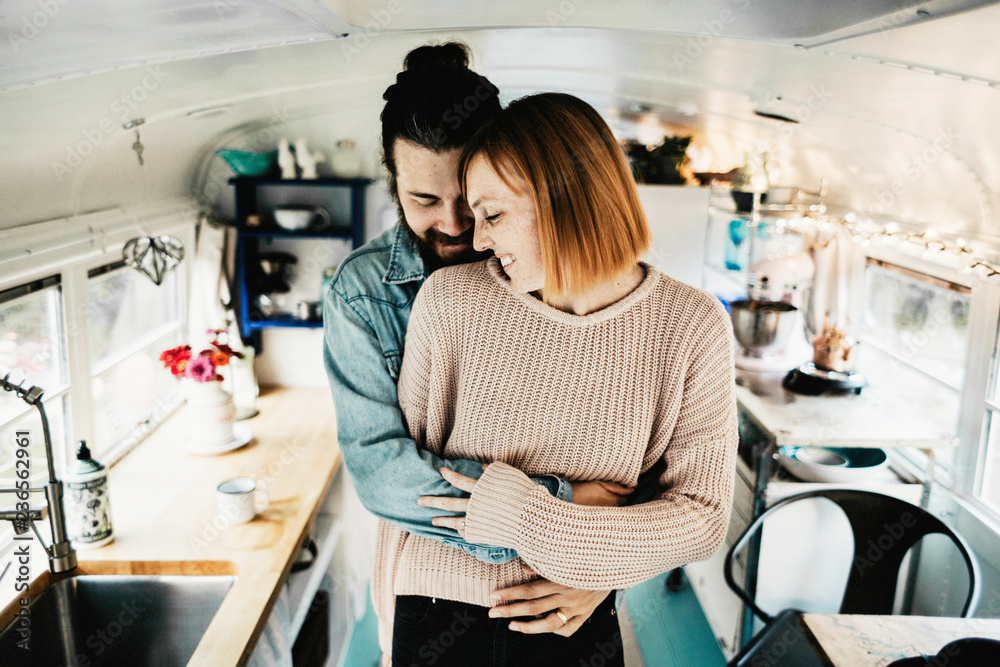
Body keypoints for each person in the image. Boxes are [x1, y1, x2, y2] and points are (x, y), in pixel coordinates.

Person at [387, 92, 739, 666]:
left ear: (568, 200)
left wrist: (537, 521)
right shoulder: (449, 301)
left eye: (494, 215)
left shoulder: (691, 325)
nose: (478, 242)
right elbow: (410, 474)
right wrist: (587, 531)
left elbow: (700, 518)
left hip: (574, 613)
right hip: (437, 606)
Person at [322, 45, 629, 663]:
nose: (460, 226)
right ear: (392, 183)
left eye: (472, 197)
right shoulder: (358, 292)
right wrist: (558, 513)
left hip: (574, 583)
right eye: (424, 201)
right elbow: (385, 473)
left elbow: (623, 455)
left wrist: (602, 563)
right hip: (435, 584)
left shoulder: (550, 262)